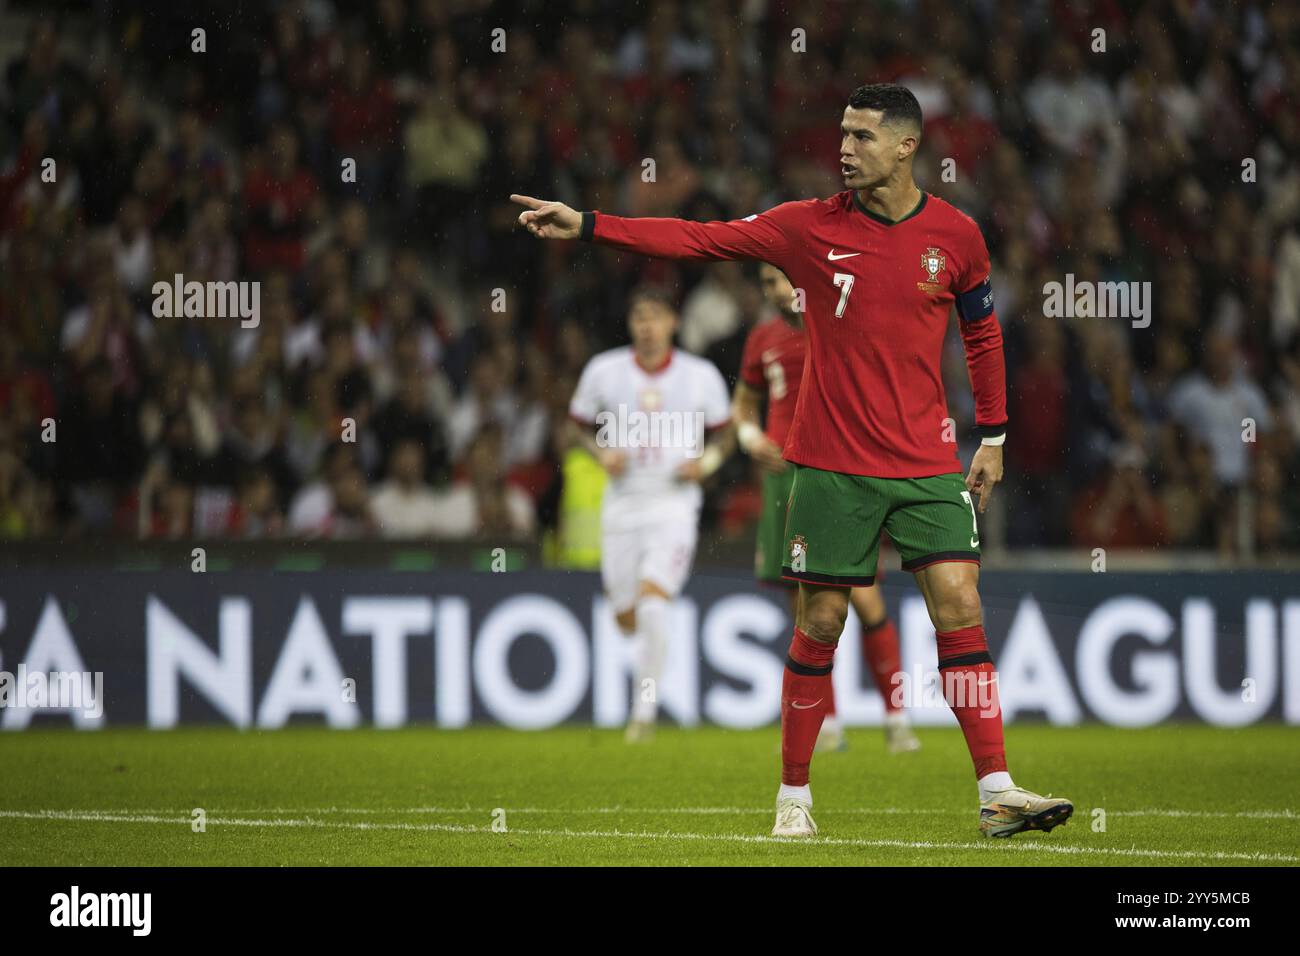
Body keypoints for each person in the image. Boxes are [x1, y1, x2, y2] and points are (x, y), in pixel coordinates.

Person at [513, 83, 1072, 839]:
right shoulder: (805, 229)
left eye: (863, 137)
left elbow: (982, 335)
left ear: (908, 147)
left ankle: (997, 790)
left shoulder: (958, 237)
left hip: (928, 462)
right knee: (823, 618)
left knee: (961, 605)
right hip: (832, 464)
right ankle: (795, 797)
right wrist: (587, 226)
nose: (844, 148)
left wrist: (996, 436)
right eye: (842, 134)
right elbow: (697, 238)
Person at [735, 261, 920, 754]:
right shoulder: (762, 339)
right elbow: (743, 404)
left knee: (865, 599)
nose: (777, 291)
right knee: (805, 604)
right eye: (768, 283)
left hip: (839, 473)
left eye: (782, 279)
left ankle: (896, 719)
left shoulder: (839, 323)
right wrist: (750, 438)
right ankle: (829, 724)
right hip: (783, 479)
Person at [567, 287, 731, 742]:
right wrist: (600, 452)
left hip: (674, 504)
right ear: (630, 323)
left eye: (655, 316)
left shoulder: (700, 376)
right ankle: (650, 659)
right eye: (639, 316)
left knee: (655, 599)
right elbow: (578, 425)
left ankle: (643, 710)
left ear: (673, 323)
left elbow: (725, 437)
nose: (647, 326)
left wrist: (707, 465)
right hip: (622, 504)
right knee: (626, 615)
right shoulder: (603, 371)